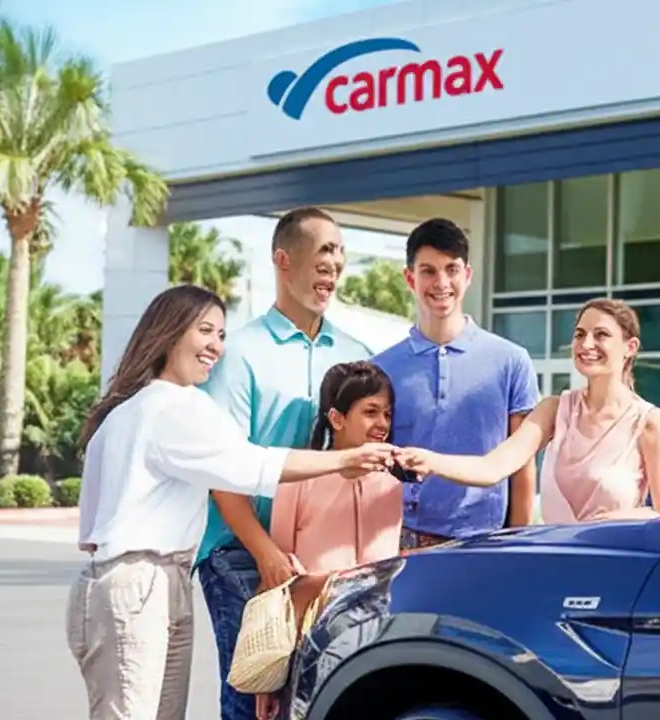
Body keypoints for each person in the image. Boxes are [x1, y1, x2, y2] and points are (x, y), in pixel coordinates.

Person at [65, 285, 391, 720]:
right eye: (205, 331)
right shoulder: (169, 407)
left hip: (150, 581)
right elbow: (249, 464)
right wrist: (343, 459)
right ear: (170, 333)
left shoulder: (129, 409)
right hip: (136, 583)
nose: (216, 346)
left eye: (221, 334)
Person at [194, 207, 371, 720]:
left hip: (322, 558)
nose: (333, 268)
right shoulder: (239, 354)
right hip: (244, 556)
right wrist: (266, 553)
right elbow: (221, 470)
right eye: (323, 254)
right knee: (252, 702)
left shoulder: (355, 352)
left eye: (339, 258)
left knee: (316, 700)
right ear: (282, 259)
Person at [395, 298, 660, 522]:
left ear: (630, 347)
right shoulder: (554, 410)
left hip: (616, 569)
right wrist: (430, 461)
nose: (586, 344)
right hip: (556, 567)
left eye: (601, 335)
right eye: (580, 334)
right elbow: (493, 467)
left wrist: (618, 520)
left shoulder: (648, 422)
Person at [374, 217, 540, 550]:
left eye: (452, 269)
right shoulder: (380, 368)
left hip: (486, 541)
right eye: (428, 271)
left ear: (468, 275)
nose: (441, 282)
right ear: (410, 278)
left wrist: (517, 545)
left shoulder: (511, 360)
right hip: (401, 541)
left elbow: (523, 466)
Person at [254, 359, 407, 720]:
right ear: (337, 418)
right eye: (370, 412)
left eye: (387, 413)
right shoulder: (296, 480)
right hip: (311, 644)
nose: (382, 424)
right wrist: (268, 675)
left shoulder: (391, 486)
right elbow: (278, 583)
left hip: (375, 645)